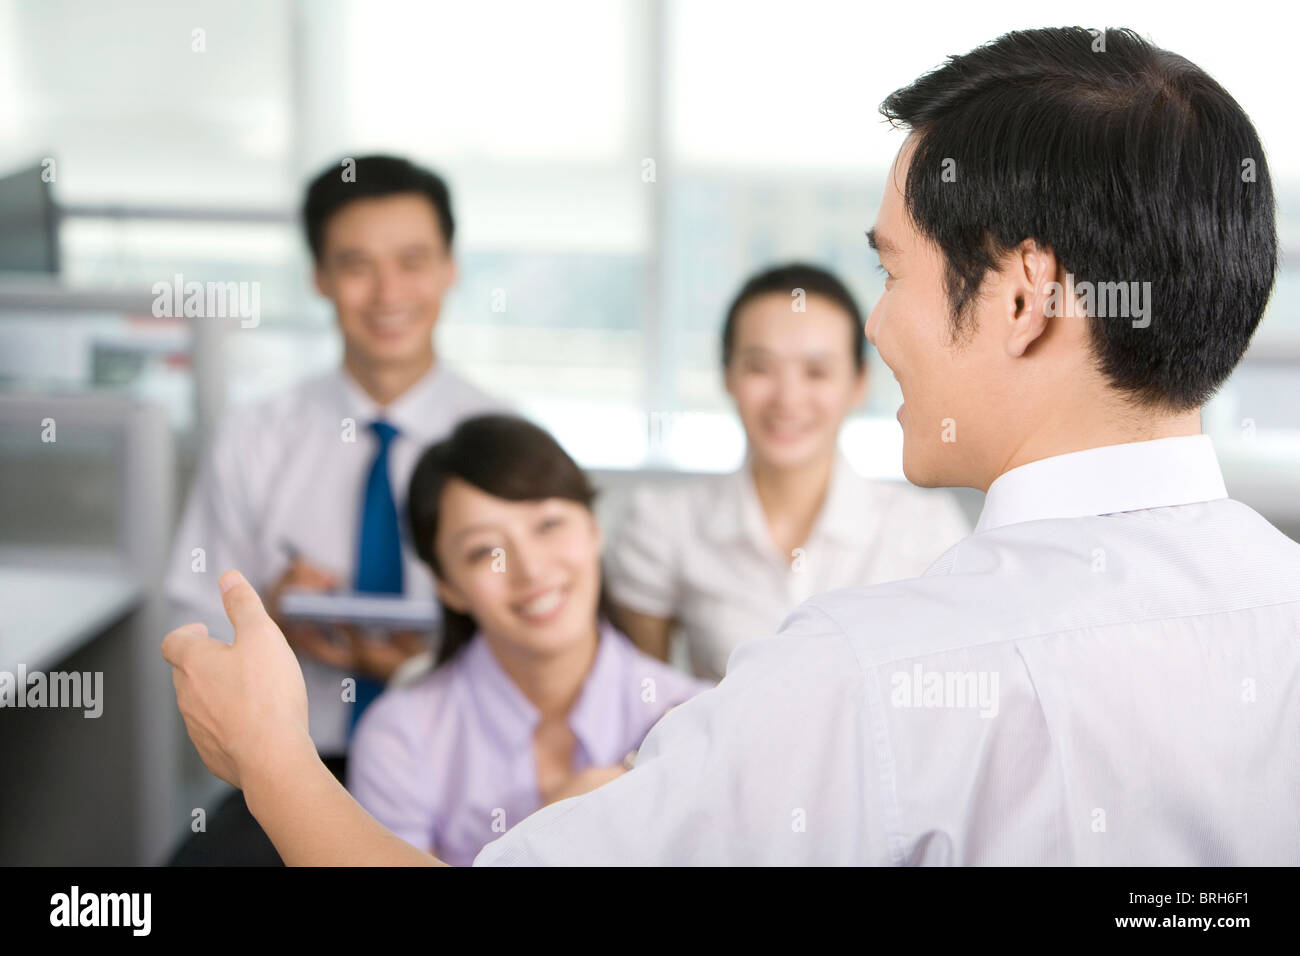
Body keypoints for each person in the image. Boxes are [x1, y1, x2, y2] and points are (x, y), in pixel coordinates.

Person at [162, 26, 1300, 865]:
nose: (874, 323)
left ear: (1022, 301)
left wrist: (269, 753)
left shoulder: (860, 674)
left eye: (891, 270)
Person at [164, 155, 502, 864]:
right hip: (296, 763)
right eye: (356, 265)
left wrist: (442, 654)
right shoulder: (256, 436)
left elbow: (559, 637)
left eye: (413, 261)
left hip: (467, 767)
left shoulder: (505, 441)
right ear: (319, 276)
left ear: (450, 267)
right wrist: (273, 621)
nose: (387, 293)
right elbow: (185, 631)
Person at [347, 415, 714, 865]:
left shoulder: (696, 718)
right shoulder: (401, 740)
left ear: (595, 529)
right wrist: (558, 829)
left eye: (548, 525)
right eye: (485, 551)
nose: (530, 569)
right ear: (447, 585)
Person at [607, 263, 969, 679]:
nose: (788, 398)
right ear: (728, 375)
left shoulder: (927, 530)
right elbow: (643, 703)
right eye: (760, 367)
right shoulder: (662, 525)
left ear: (858, 383)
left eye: (816, 372)